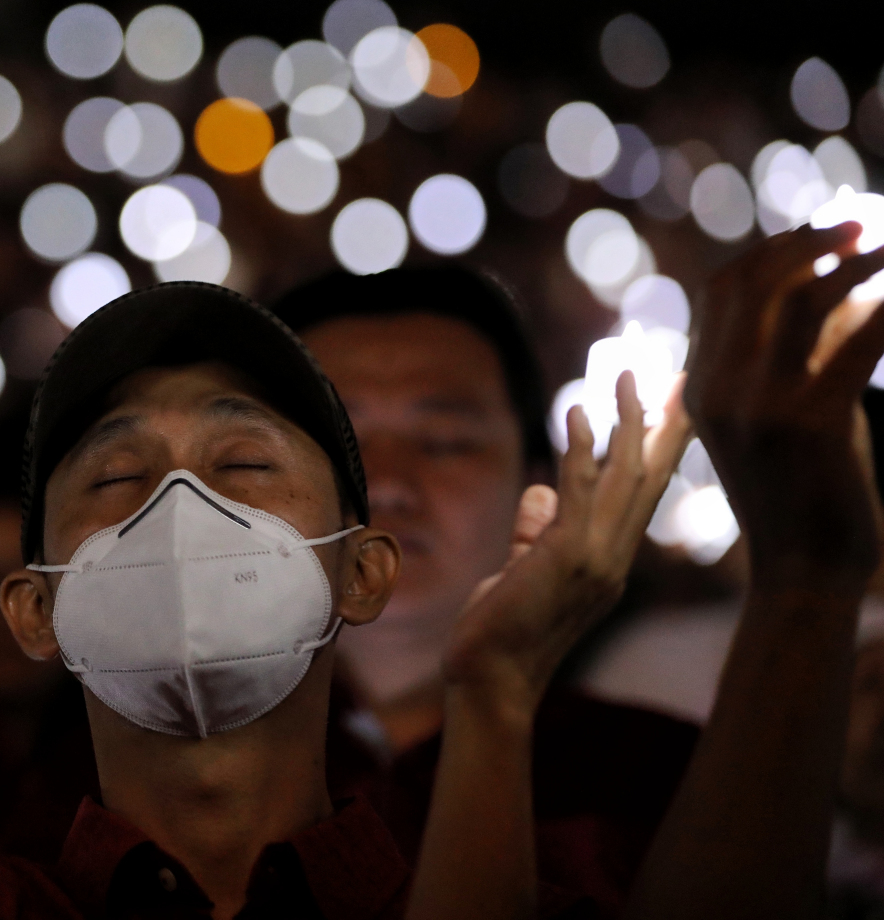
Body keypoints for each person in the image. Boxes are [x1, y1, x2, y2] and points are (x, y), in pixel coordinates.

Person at [0, 223, 884, 917]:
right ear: (34, 607)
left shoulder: (549, 873)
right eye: (115, 479)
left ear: (360, 573)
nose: (178, 508)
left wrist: (811, 578)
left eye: (242, 470)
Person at [276, 266, 701, 911]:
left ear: (535, 483)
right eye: (341, 444)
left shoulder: (658, 779)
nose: (386, 484)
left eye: (445, 442)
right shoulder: (143, 767)